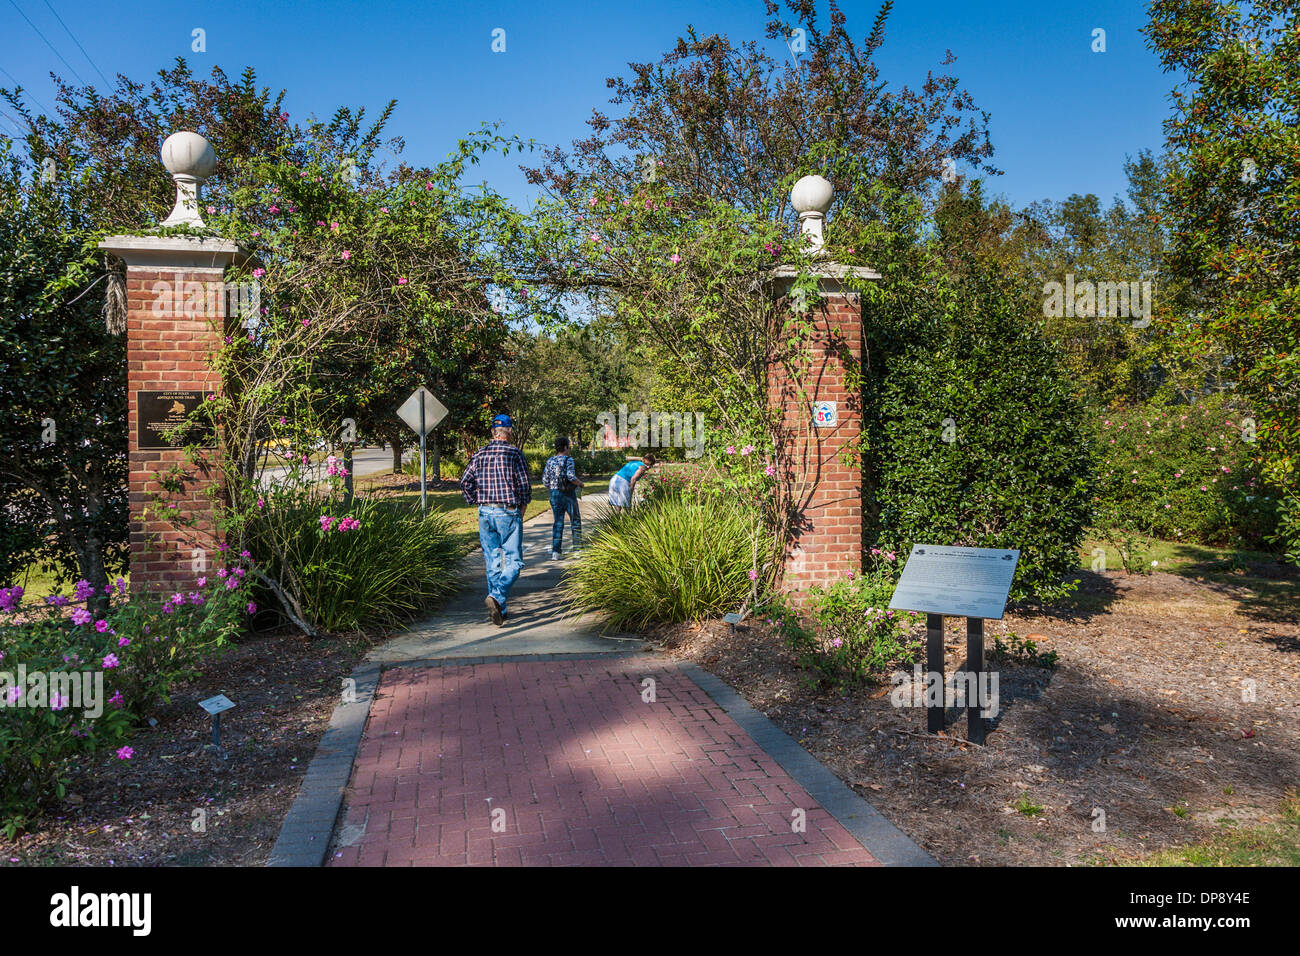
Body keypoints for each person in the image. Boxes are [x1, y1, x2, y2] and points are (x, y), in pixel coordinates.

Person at [459, 413, 531, 626]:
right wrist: (522, 510)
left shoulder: (479, 454)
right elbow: (524, 487)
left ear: (493, 432)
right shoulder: (514, 454)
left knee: (493, 561)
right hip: (507, 512)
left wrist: (477, 501)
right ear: (510, 431)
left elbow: (465, 482)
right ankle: (498, 598)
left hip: (485, 513)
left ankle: (501, 609)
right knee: (514, 561)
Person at [542, 436, 584, 559]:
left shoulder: (550, 461)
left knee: (558, 522)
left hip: (554, 494)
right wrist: (580, 483)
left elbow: (545, 480)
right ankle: (577, 549)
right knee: (575, 520)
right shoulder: (569, 460)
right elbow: (571, 476)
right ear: (565, 447)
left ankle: (556, 551)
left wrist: (553, 487)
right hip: (568, 494)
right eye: (569, 446)